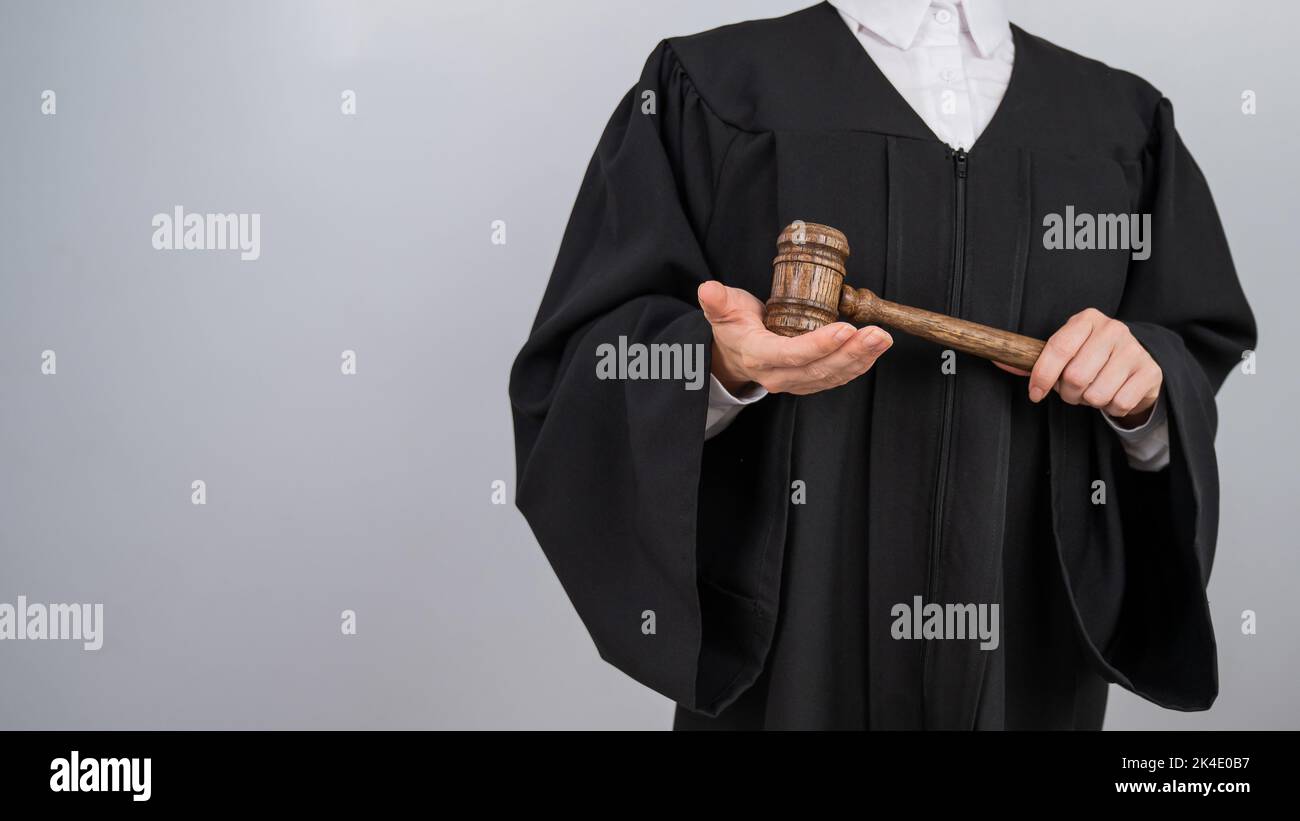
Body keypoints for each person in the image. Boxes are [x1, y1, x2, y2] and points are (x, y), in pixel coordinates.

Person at [509, 0, 1257, 729]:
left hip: (1028, 652)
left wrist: (1147, 394)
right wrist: (716, 368)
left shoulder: (1121, 123)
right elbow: (584, 363)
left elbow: (1187, 352)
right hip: (794, 665)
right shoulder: (710, 88)